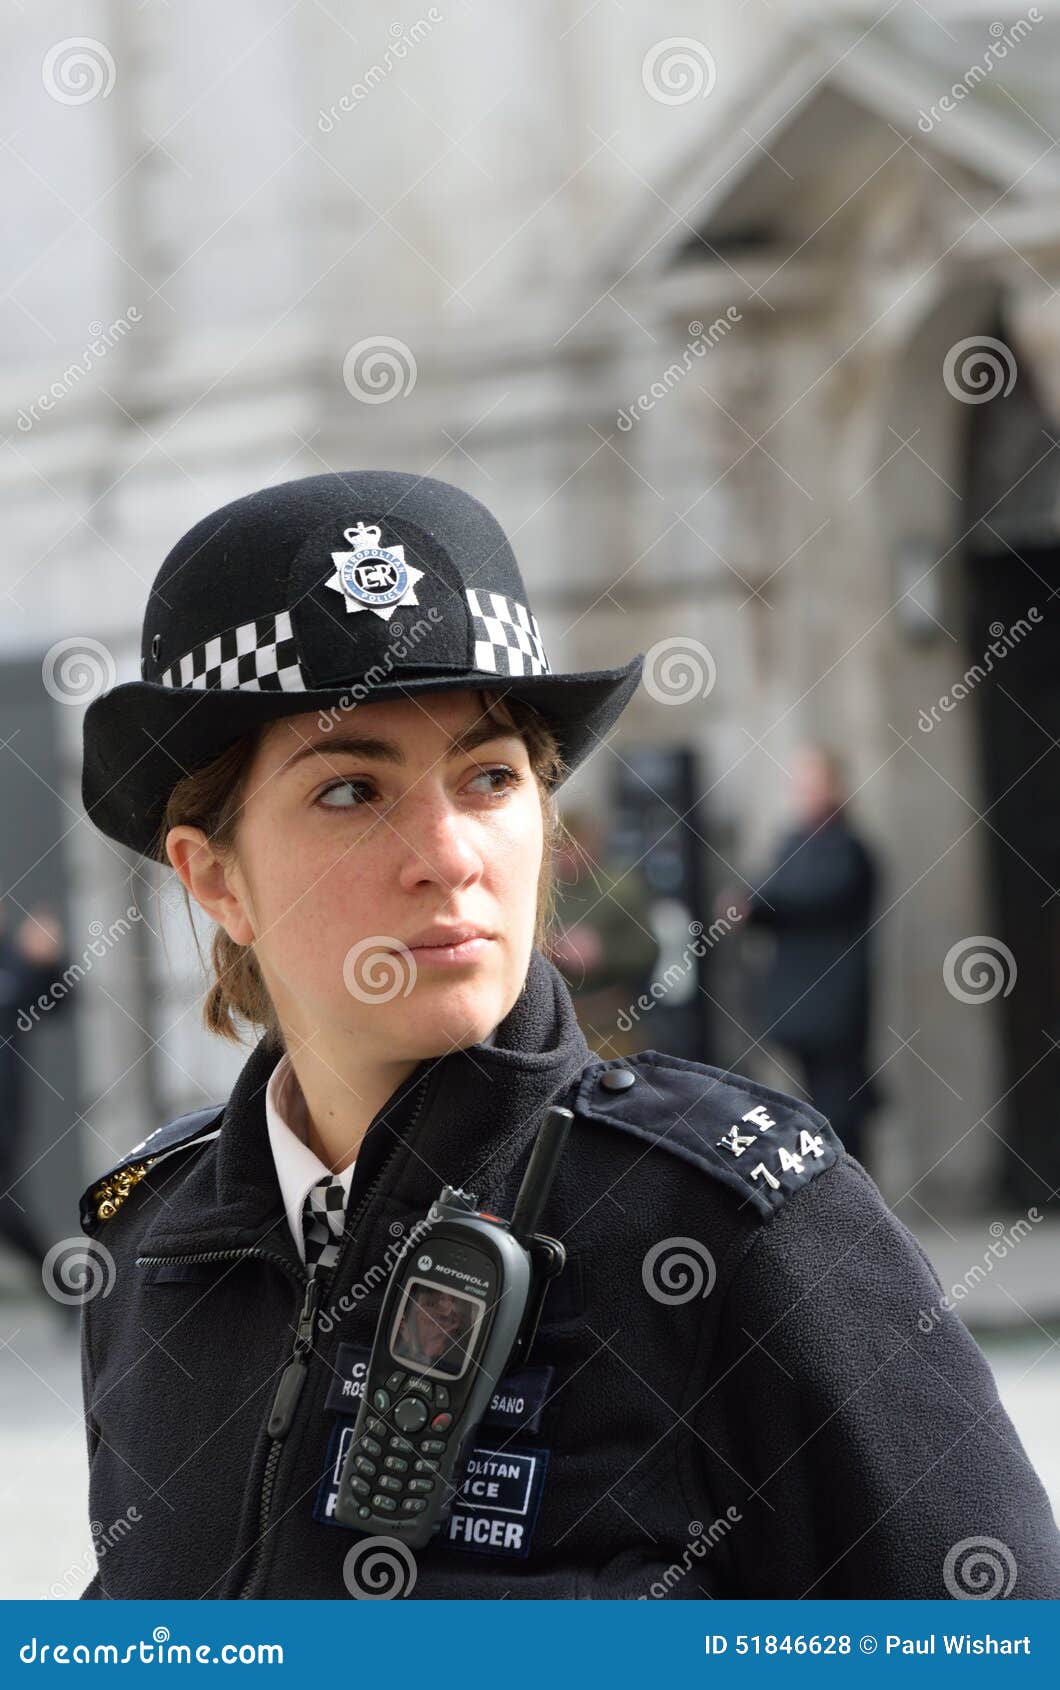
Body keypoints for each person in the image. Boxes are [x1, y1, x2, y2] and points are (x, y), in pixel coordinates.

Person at [75, 471, 1060, 1601]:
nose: (449, 855)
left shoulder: (732, 1218)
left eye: (489, 777)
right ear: (216, 878)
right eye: (351, 791)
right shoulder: (152, 1246)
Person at [735, 745, 881, 1165]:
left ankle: (853, 1189)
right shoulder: (793, 844)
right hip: (799, 1004)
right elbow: (768, 893)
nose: (801, 793)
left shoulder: (848, 849)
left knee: (841, 1106)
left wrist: (757, 904)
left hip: (834, 1006)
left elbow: (811, 897)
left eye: (810, 784)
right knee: (812, 1110)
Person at [549, 807, 659, 1058]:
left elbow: (648, 950)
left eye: (575, 845)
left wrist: (602, 951)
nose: (569, 855)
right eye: (561, 847)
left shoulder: (621, 889)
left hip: (609, 1020)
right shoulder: (543, 891)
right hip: (557, 1021)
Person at [0, 901, 69, 1283]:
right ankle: (63, 1287)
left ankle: (63, 1287)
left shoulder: (14, 960)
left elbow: (58, 1003)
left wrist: (47, 962)